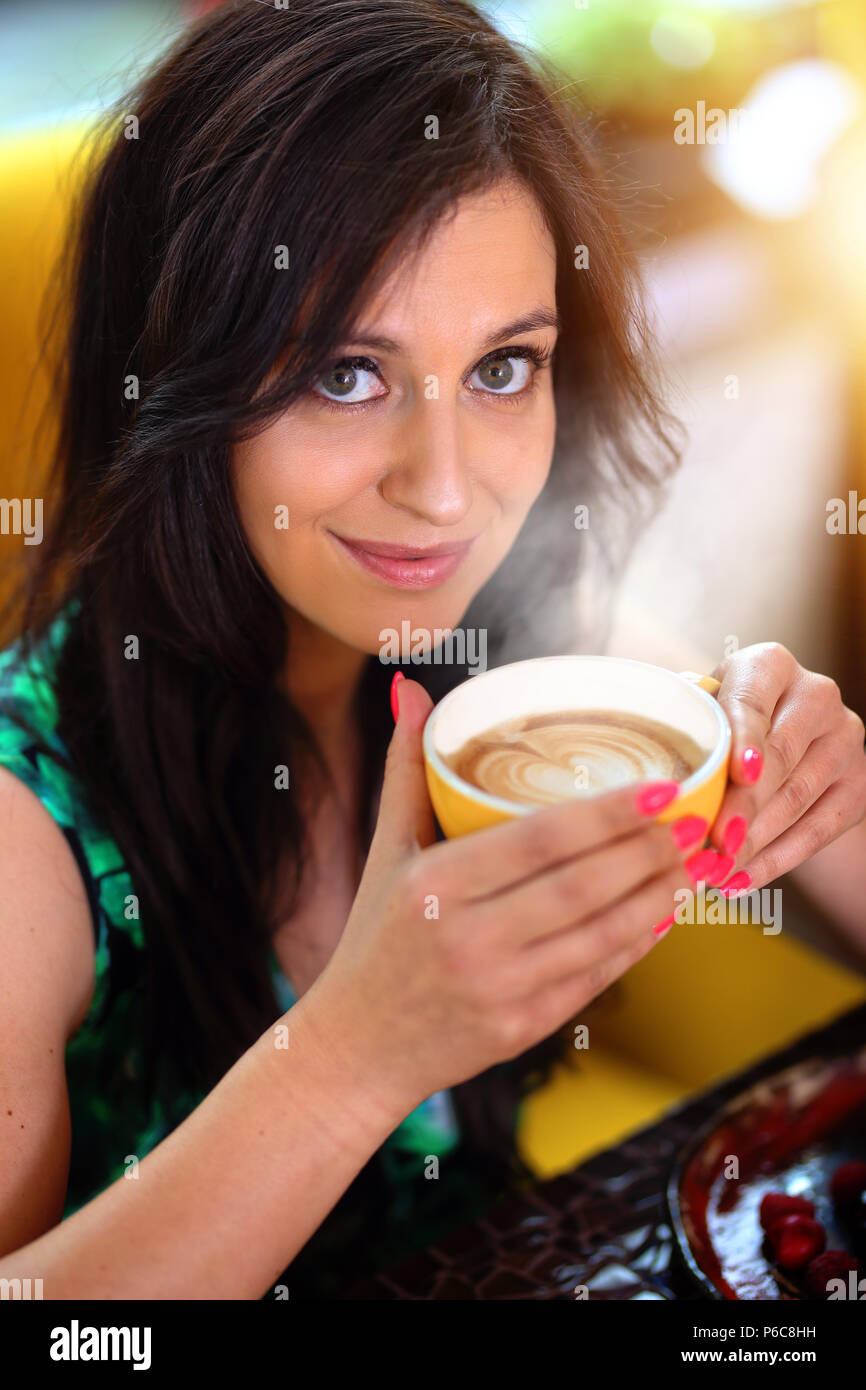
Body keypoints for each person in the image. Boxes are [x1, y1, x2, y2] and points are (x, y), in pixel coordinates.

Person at [1, 0, 864, 1300]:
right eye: (345, 373)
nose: (450, 493)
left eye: (504, 366)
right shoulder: (29, 835)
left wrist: (807, 784)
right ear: (177, 376)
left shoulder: (516, 646)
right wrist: (353, 1055)